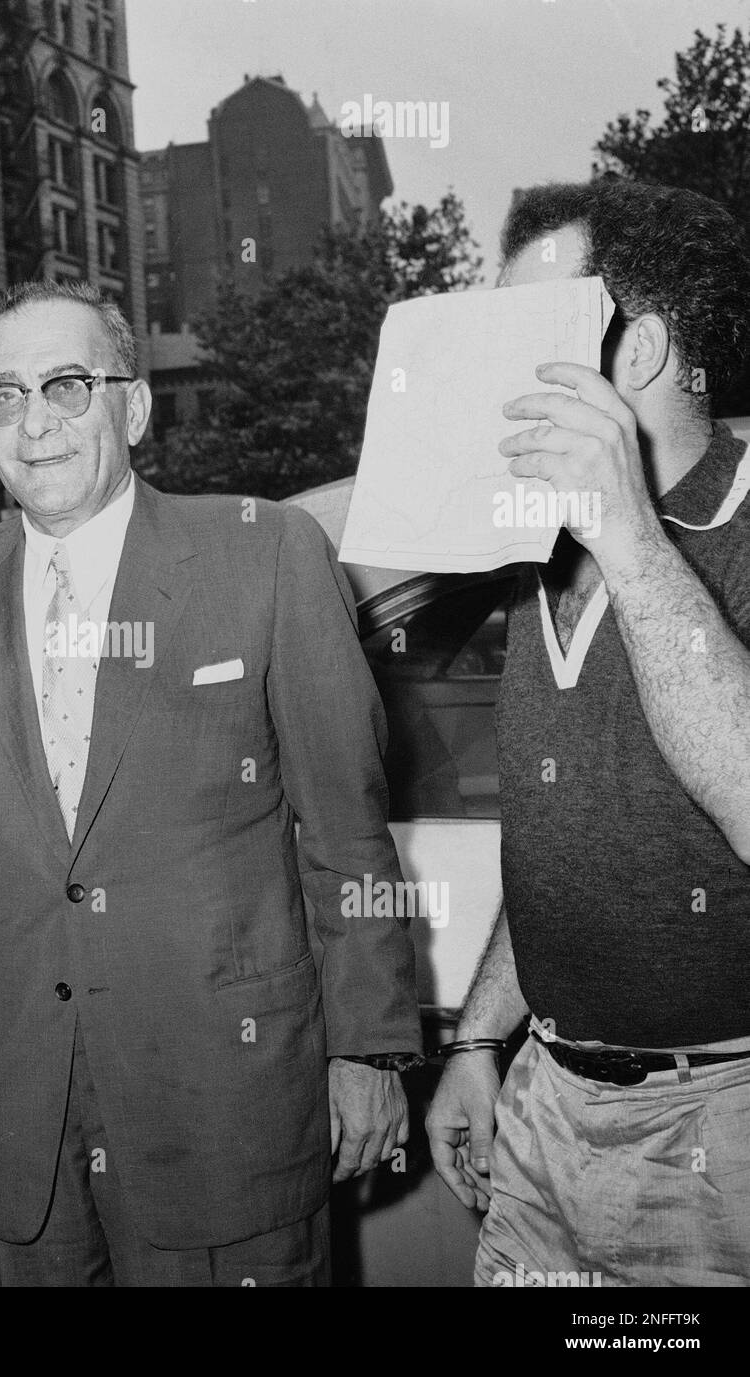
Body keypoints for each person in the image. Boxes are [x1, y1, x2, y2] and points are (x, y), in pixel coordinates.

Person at [0, 279, 421, 1287]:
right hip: (18, 1113)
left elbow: (347, 824)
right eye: (3, 396)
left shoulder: (263, 554)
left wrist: (369, 1049)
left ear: (134, 406)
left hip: (224, 1104)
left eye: (66, 387)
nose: (33, 426)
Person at [425, 180, 750, 1286]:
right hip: (544, 1103)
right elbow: (567, 843)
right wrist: (478, 1037)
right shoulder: (533, 547)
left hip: (717, 1130)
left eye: (528, 328)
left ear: (642, 349)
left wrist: (630, 536)